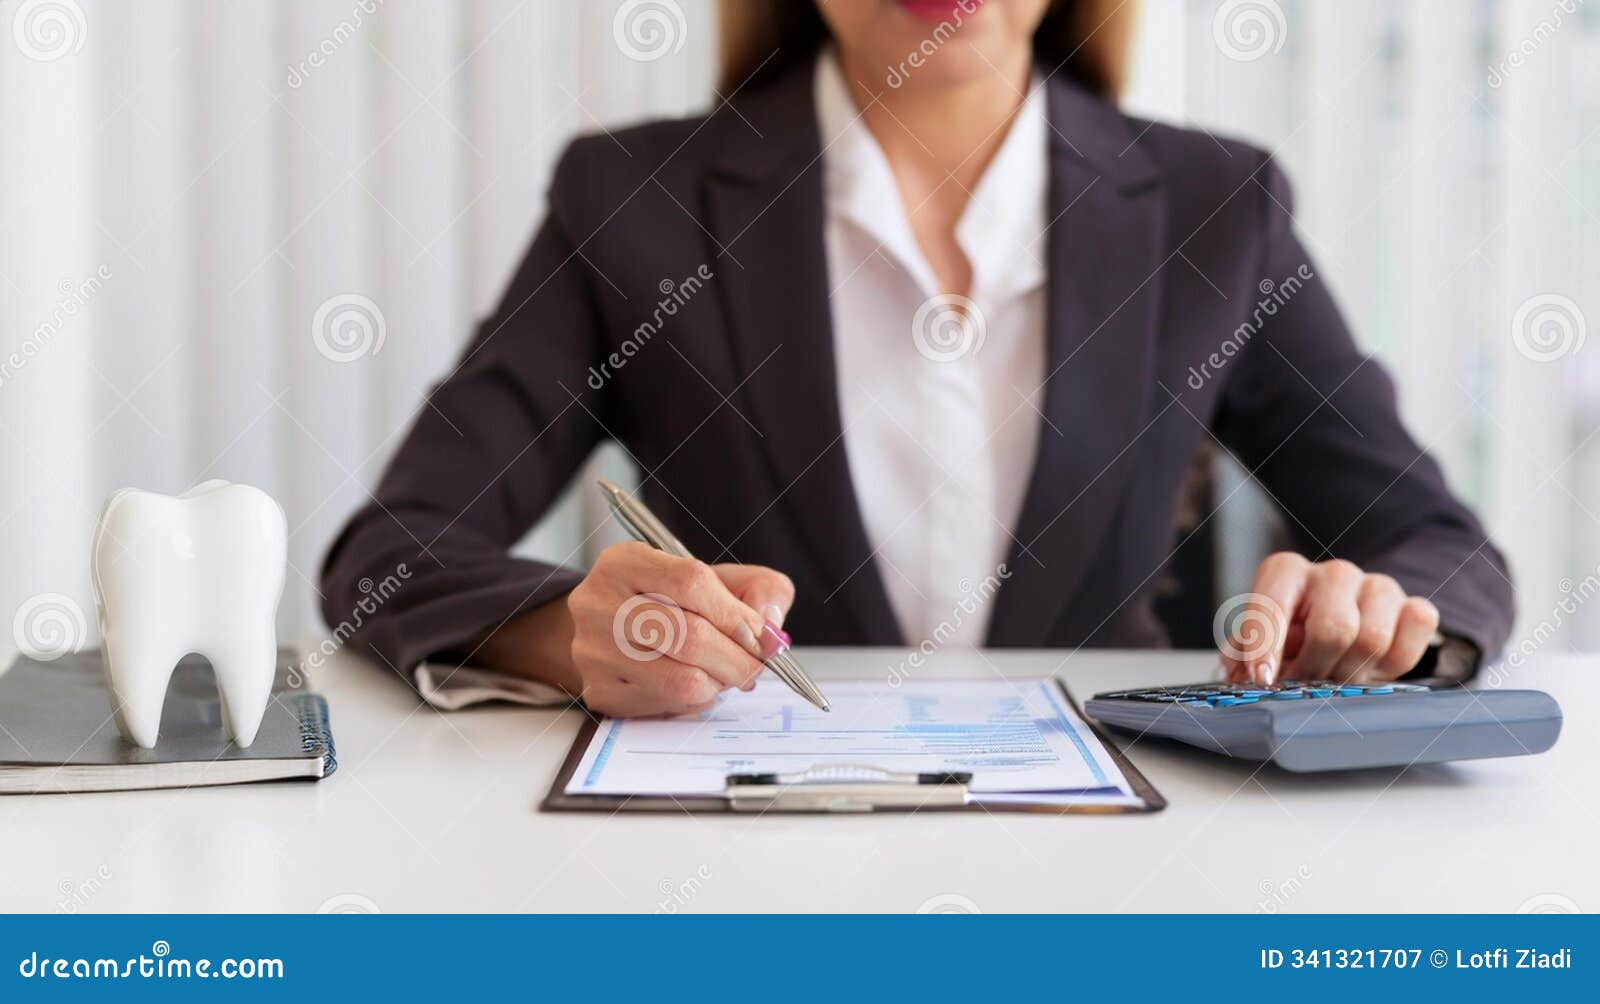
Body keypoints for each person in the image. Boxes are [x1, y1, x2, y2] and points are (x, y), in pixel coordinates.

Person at [320, 0, 1513, 717]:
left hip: (1117, 871)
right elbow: (388, 553)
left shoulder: (1215, 207)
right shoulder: (633, 201)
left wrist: (1382, 615)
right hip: (744, 864)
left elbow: (1441, 548)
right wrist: (576, 637)